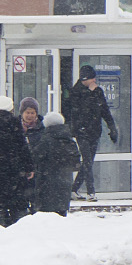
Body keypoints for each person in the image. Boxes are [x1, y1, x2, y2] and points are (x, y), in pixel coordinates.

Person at [63, 64, 117, 200]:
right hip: (81, 131)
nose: (94, 81)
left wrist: (112, 127)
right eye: (92, 79)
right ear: (85, 79)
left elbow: (104, 110)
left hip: (94, 131)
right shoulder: (75, 92)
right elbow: (82, 110)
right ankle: (91, 192)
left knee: (89, 162)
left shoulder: (97, 91)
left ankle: (74, 189)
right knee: (86, 160)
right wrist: (92, 93)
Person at [30, 111, 81, 217]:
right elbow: (76, 162)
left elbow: (34, 157)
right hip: (64, 187)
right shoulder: (69, 140)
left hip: (47, 186)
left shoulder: (46, 140)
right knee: (61, 218)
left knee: (46, 219)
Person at [0, 95, 36, 226]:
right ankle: (18, 227)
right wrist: (29, 167)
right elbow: (23, 148)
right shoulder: (14, 123)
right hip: (14, 171)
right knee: (17, 204)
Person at [18, 97, 43, 217]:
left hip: (37, 168)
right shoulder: (15, 129)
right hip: (20, 168)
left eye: (32, 113)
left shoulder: (42, 129)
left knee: (35, 195)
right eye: (27, 112)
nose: (30, 115)